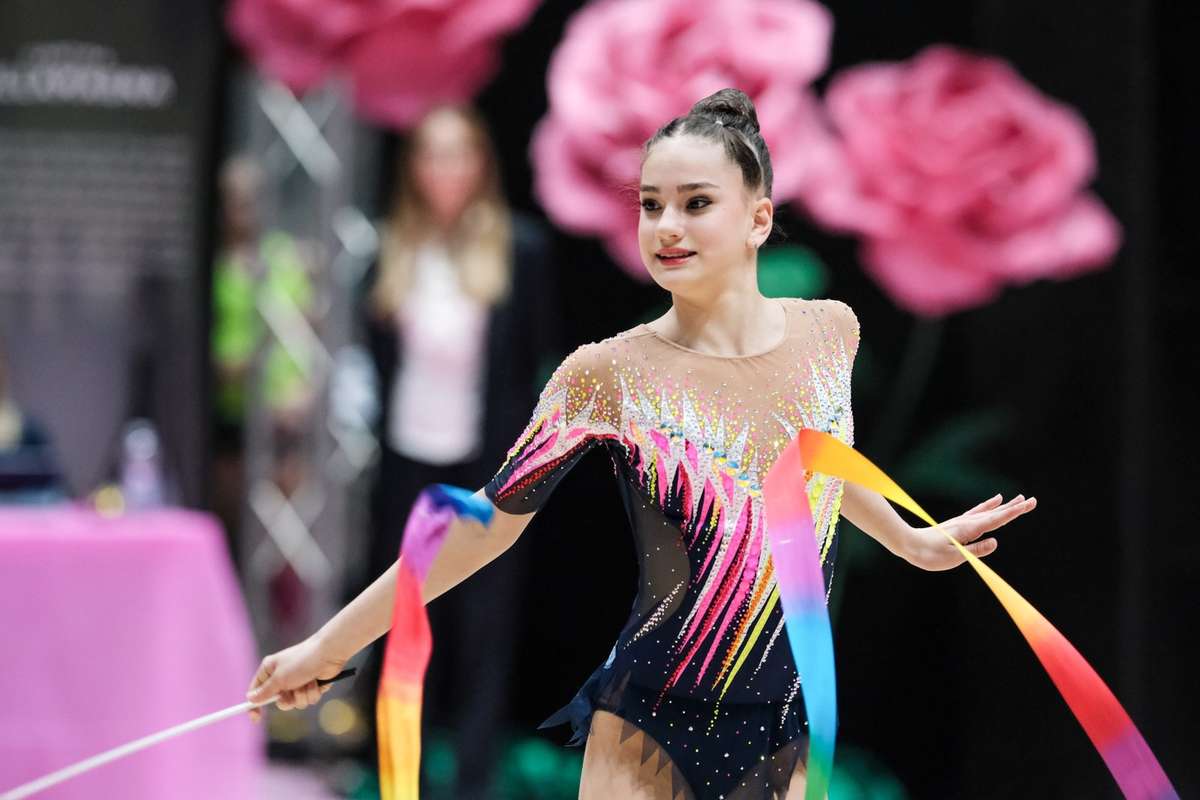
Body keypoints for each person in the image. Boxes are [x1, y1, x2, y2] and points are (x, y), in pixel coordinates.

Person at [247, 89, 1036, 799]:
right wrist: (326, 644)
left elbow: (817, 461)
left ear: (759, 217)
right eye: (651, 204)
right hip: (650, 729)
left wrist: (906, 538)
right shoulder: (607, 374)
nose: (666, 226)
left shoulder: (830, 332)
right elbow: (484, 526)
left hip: (786, 729)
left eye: (696, 203)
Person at [356, 104, 557, 797]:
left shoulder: (519, 248)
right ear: (413, 168)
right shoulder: (393, 248)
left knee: (484, 628)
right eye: (431, 155)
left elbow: (540, 362)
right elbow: (370, 360)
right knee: (405, 619)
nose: (444, 170)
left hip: (486, 468)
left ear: (480, 165)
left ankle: (474, 782)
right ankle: (396, 775)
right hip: (407, 461)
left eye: (458, 154)